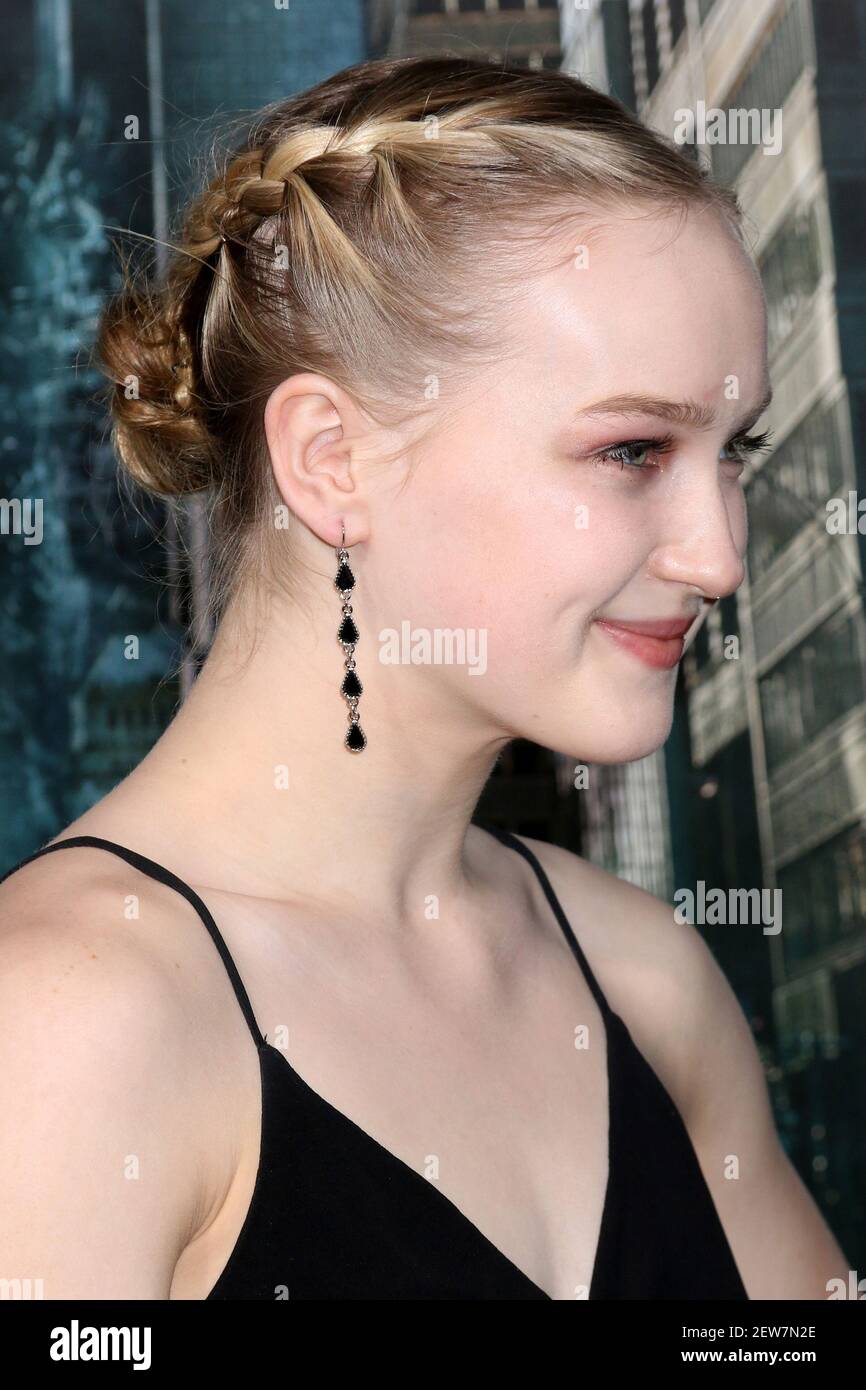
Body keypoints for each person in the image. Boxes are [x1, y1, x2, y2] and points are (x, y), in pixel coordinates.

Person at [0, 56, 848, 1300]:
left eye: (733, 452)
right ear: (331, 461)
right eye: (630, 449)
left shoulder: (643, 979)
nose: (717, 553)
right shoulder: (65, 1026)